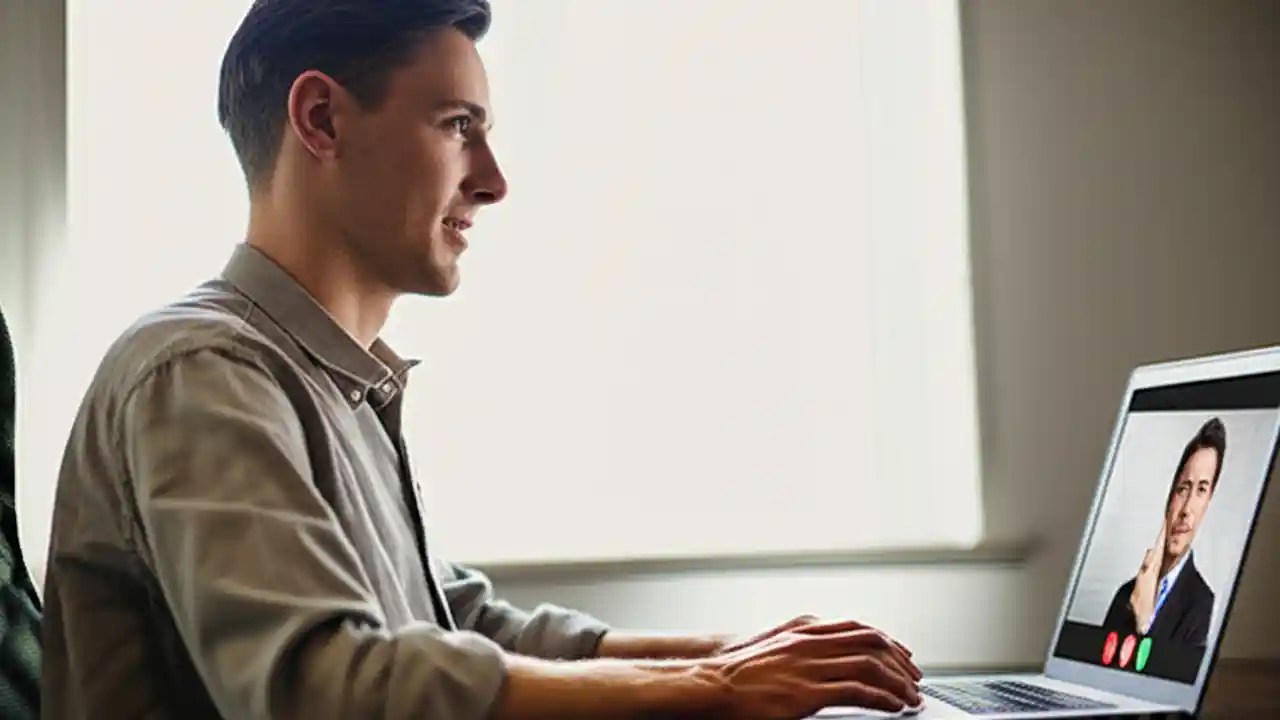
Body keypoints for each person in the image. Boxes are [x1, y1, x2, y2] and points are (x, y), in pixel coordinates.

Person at [39, 1, 924, 718]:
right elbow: (319, 687)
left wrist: (740, 655)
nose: (494, 178)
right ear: (320, 118)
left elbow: (459, 621)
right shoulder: (203, 372)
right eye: (459, 125)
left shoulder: (327, 382)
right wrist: (715, 691)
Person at [1102, 417, 1224, 647]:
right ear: (1170, 498)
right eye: (1183, 489)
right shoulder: (1125, 594)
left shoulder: (1202, 604)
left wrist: (1145, 623)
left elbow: (1167, 680)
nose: (1187, 509)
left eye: (1201, 490)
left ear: (1209, 502)